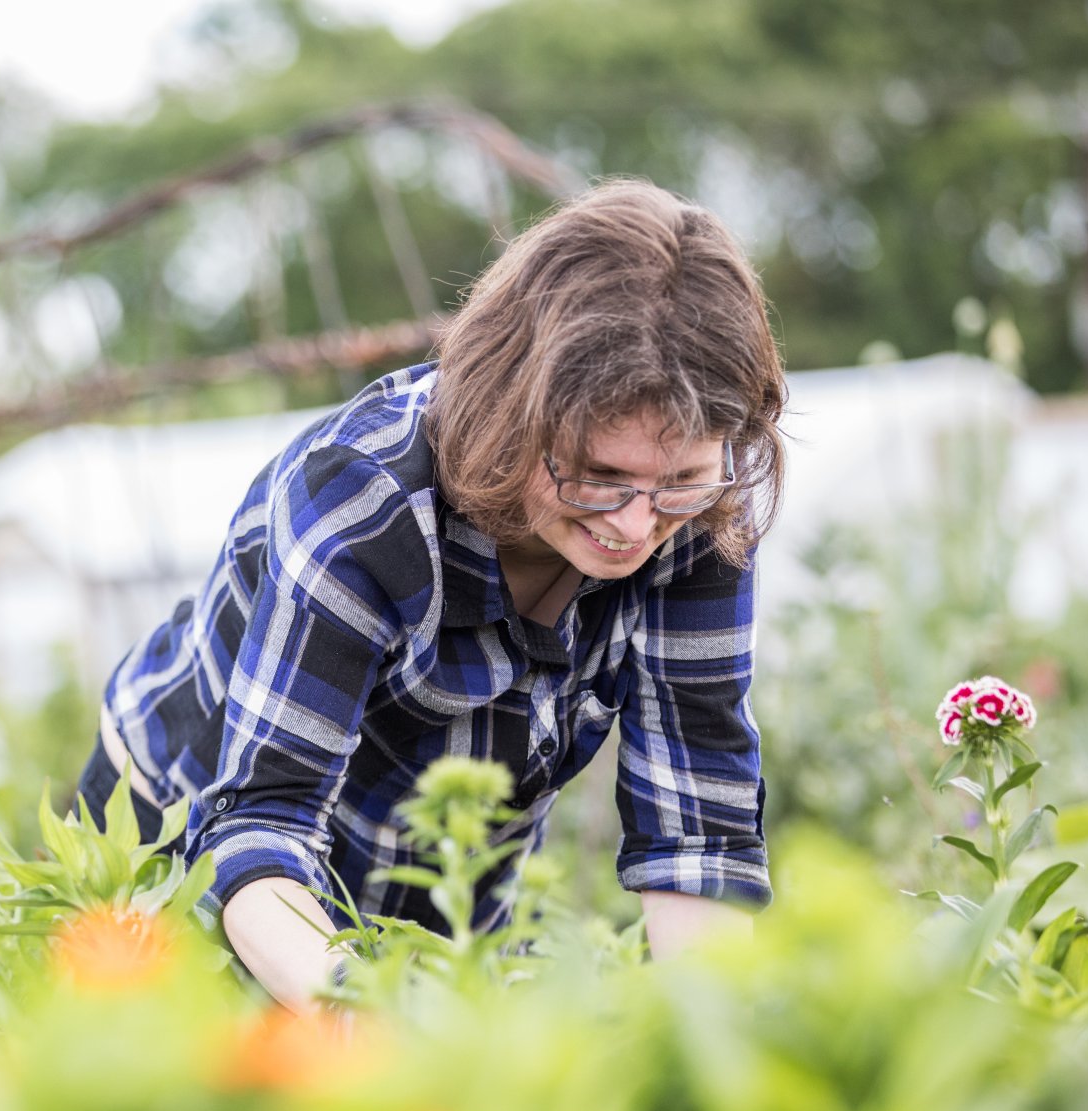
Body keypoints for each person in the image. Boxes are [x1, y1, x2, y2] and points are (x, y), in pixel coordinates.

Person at [75, 178, 786, 1012]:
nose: (637, 524)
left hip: (435, 876)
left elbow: (696, 834)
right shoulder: (363, 504)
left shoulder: (699, 518)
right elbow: (262, 824)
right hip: (185, 839)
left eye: (681, 478)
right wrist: (361, 1018)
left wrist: (712, 1038)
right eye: (598, 476)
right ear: (515, 413)